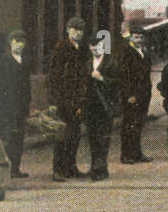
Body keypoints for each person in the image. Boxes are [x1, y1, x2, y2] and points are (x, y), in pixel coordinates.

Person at [47, 16, 90, 181]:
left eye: (80, 30)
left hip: (76, 99)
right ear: (67, 30)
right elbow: (54, 76)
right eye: (74, 29)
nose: (77, 32)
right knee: (62, 135)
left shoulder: (81, 49)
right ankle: (57, 169)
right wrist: (54, 100)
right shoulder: (62, 48)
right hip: (63, 99)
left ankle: (70, 167)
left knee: (74, 135)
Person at [0, 28, 33, 178]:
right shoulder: (4, 61)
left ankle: (15, 168)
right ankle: (8, 169)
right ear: (10, 43)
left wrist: (28, 103)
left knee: (19, 138)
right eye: (16, 41)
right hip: (8, 107)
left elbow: (26, 86)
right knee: (8, 139)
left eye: (22, 41)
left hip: (21, 106)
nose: (19, 44)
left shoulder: (25, 61)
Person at [83, 32, 118, 181]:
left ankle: (101, 168)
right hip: (91, 106)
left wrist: (102, 78)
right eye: (94, 46)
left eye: (100, 46)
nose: (97, 49)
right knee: (92, 137)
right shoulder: (86, 64)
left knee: (103, 137)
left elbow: (117, 83)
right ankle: (95, 167)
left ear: (104, 47)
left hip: (105, 106)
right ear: (90, 48)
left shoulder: (111, 63)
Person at [118, 26, 153, 164]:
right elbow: (124, 76)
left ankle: (137, 153)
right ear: (131, 37)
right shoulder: (126, 53)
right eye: (136, 37)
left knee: (138, 124)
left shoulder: (144, 52)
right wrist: (128, 95)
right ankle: (126, 155)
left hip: (143, 95)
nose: (139, 40)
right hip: (132, 96)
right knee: (129, 125)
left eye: (141, 37)